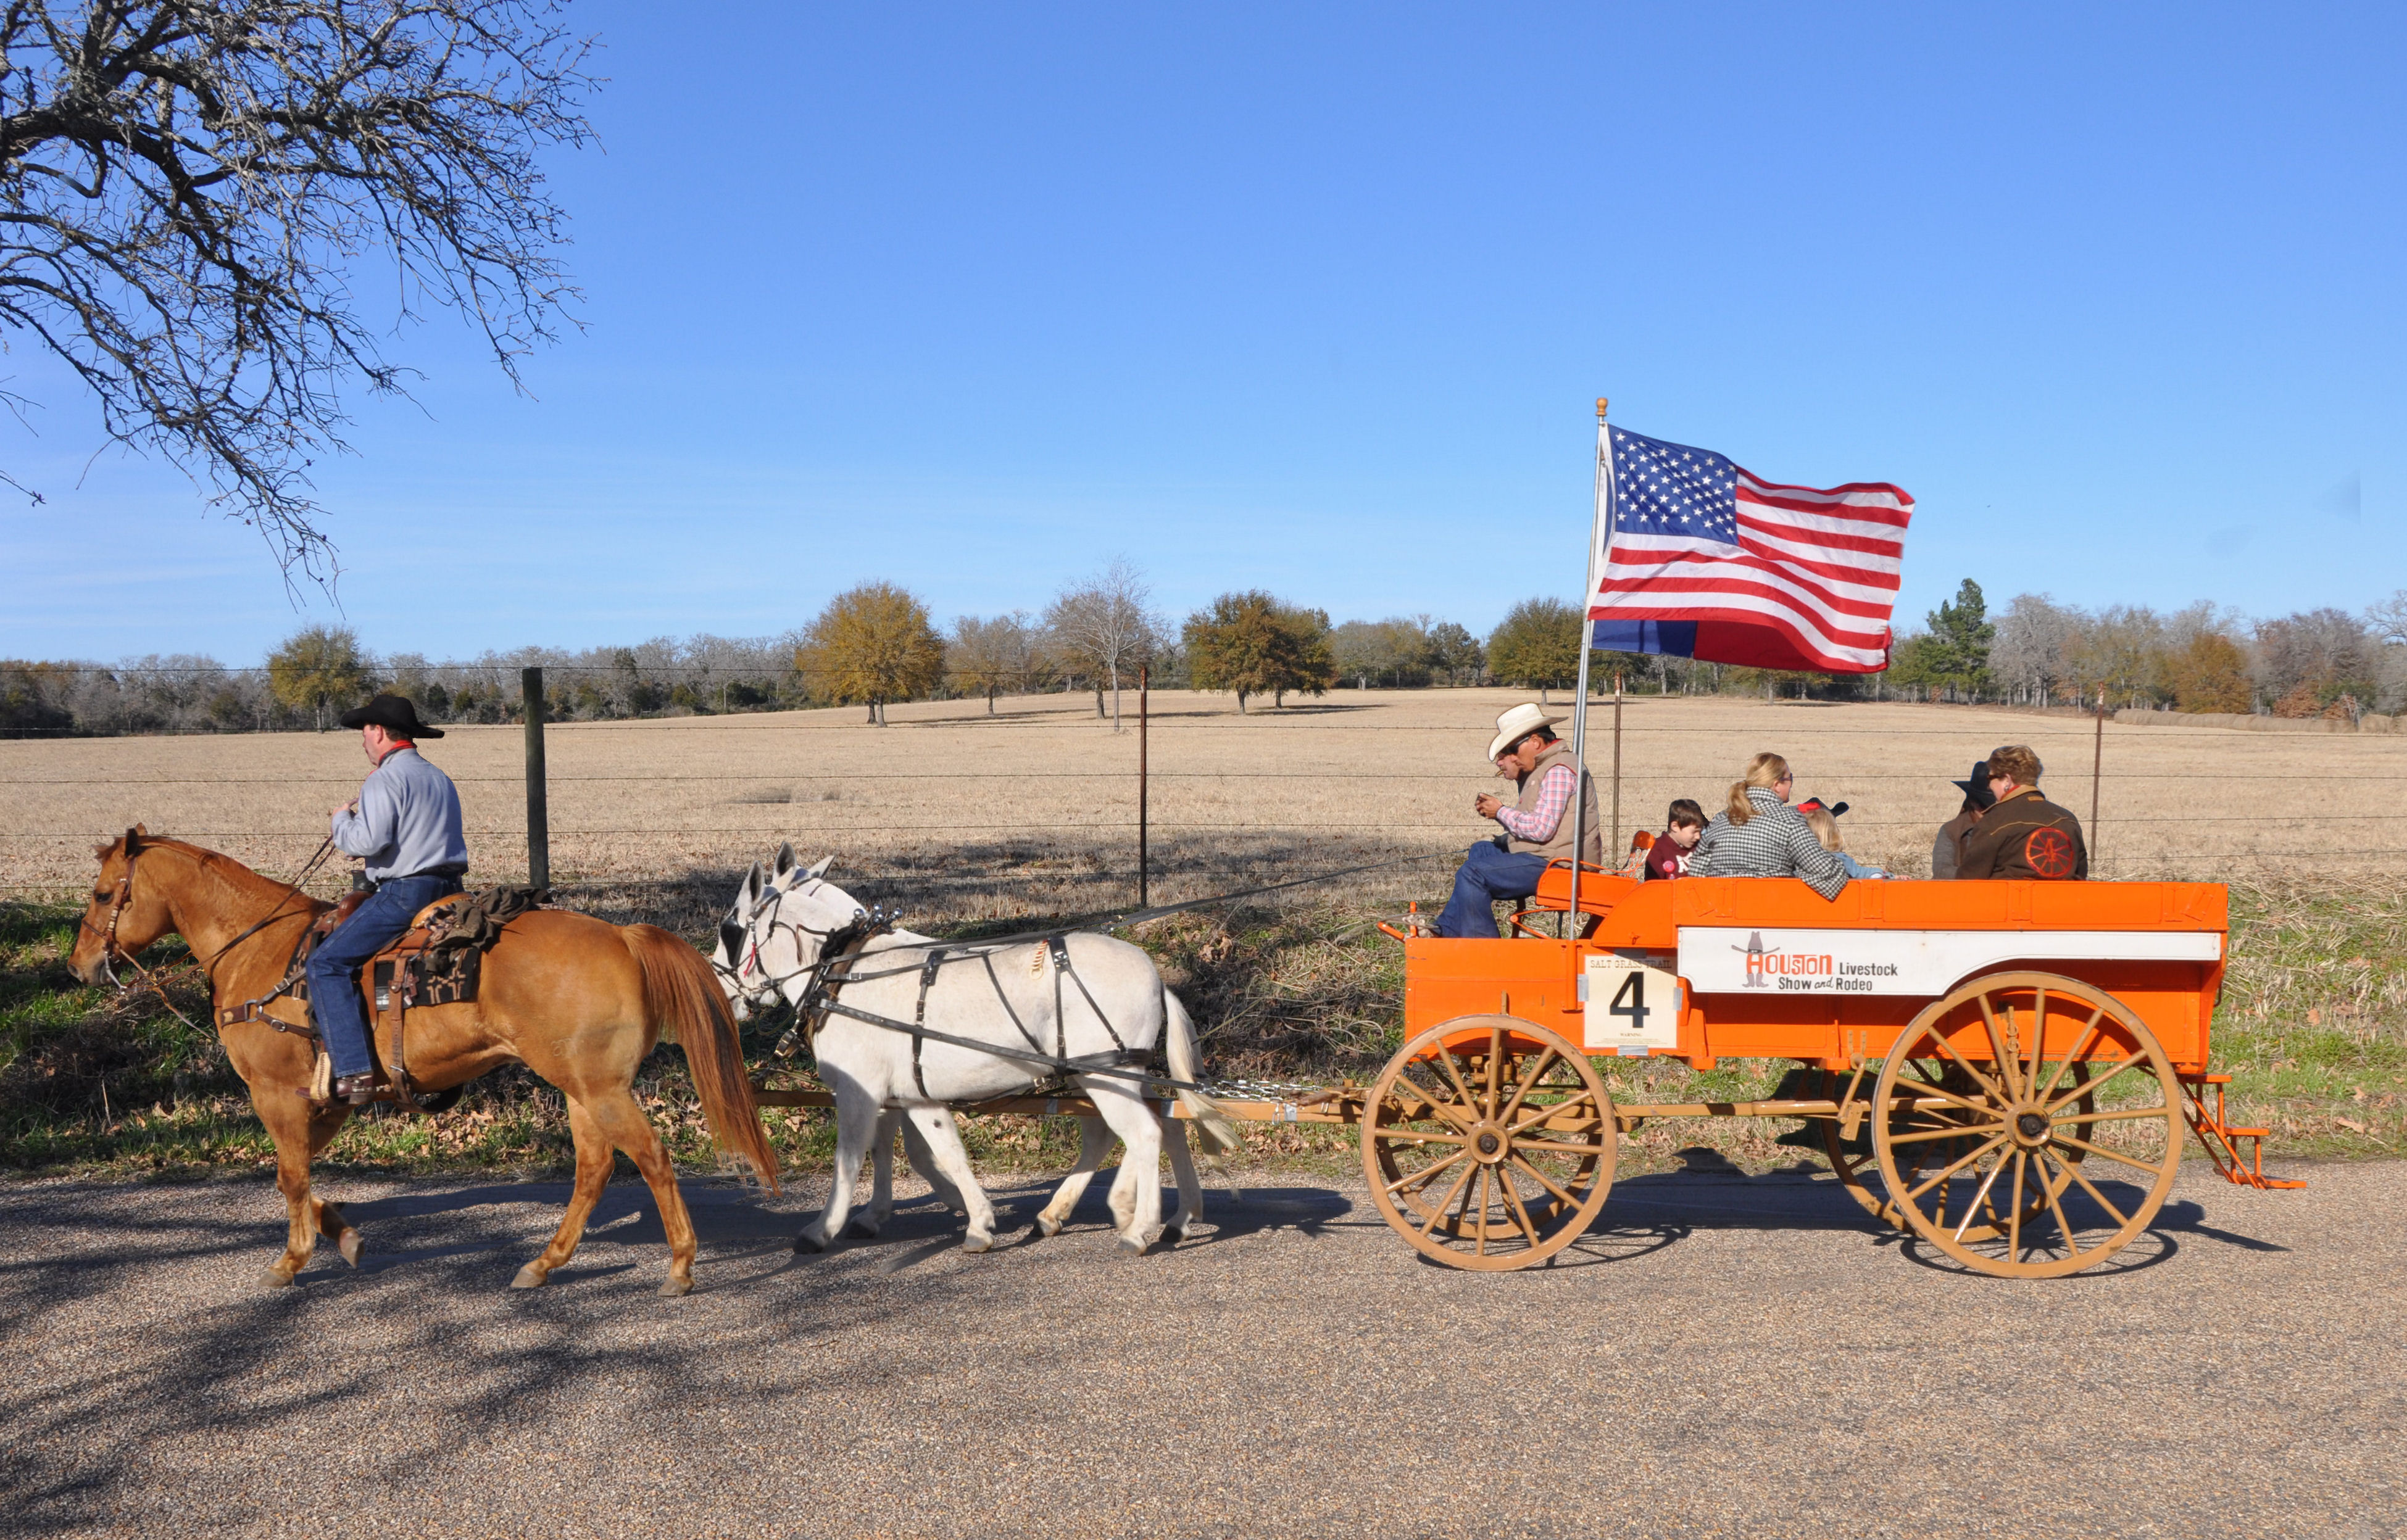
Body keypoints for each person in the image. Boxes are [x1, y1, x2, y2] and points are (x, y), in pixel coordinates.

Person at [308, 694, 470, 1104]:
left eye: (365, 732)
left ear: (378, 732)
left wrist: (340, 819)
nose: (363, 741)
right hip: (452, 893)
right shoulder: (439, 777)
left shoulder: (384, 779)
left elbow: (368, 841)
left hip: (406, 893)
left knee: (326, 964)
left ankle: (355, 1073)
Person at [1432, 702, 1603, 938]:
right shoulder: (1544, 768)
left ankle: (1482, 948)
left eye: (1512, 749)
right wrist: (1507, 838)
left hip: (1561, 865)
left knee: (1473, 874)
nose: (1509, 757)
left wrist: (1500, 812)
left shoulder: (1559, 770)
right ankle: (1447, 931)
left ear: (1535, 742)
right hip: (1549, 857)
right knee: (1481, 851)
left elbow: (1541, 830)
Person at [1686, 751, 1848, 899]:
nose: (1791, 784)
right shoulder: (1790, 821)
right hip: (1771, 914)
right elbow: (1827, 873)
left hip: (1717, 917)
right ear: (1777, 785)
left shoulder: (1721, 820)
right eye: (1790, 779)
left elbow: (1696, 875)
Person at [1954, 744, 2088, 880]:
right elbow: (2081, 873)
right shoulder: (2068, 819)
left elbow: (1968, 881)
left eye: (1990, 778)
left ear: (2007, 780)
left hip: (2010, 900)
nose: (1989, 786)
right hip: (2062, 900)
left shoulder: (1993, 822)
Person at [1931, 761, 1994, 880]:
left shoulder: (2008, 828)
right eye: (1982, 804)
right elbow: (1941, 870)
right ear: (1971, 801)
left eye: (1993, 806)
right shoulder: (1951, 830)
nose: (1987, 810)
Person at [1797, 798, 1887, 880]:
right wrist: (1889, 877)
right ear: (1833, 834)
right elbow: (1869, 875)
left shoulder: (1791, 863)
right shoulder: (1840, 861)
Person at [1643, 798, 1707, 880]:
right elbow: (1654, 887)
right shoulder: (1657, 851)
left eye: (1700, 831)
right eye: (1694, 832)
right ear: (1675, 827)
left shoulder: (1700, 846)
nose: (1698, 836)